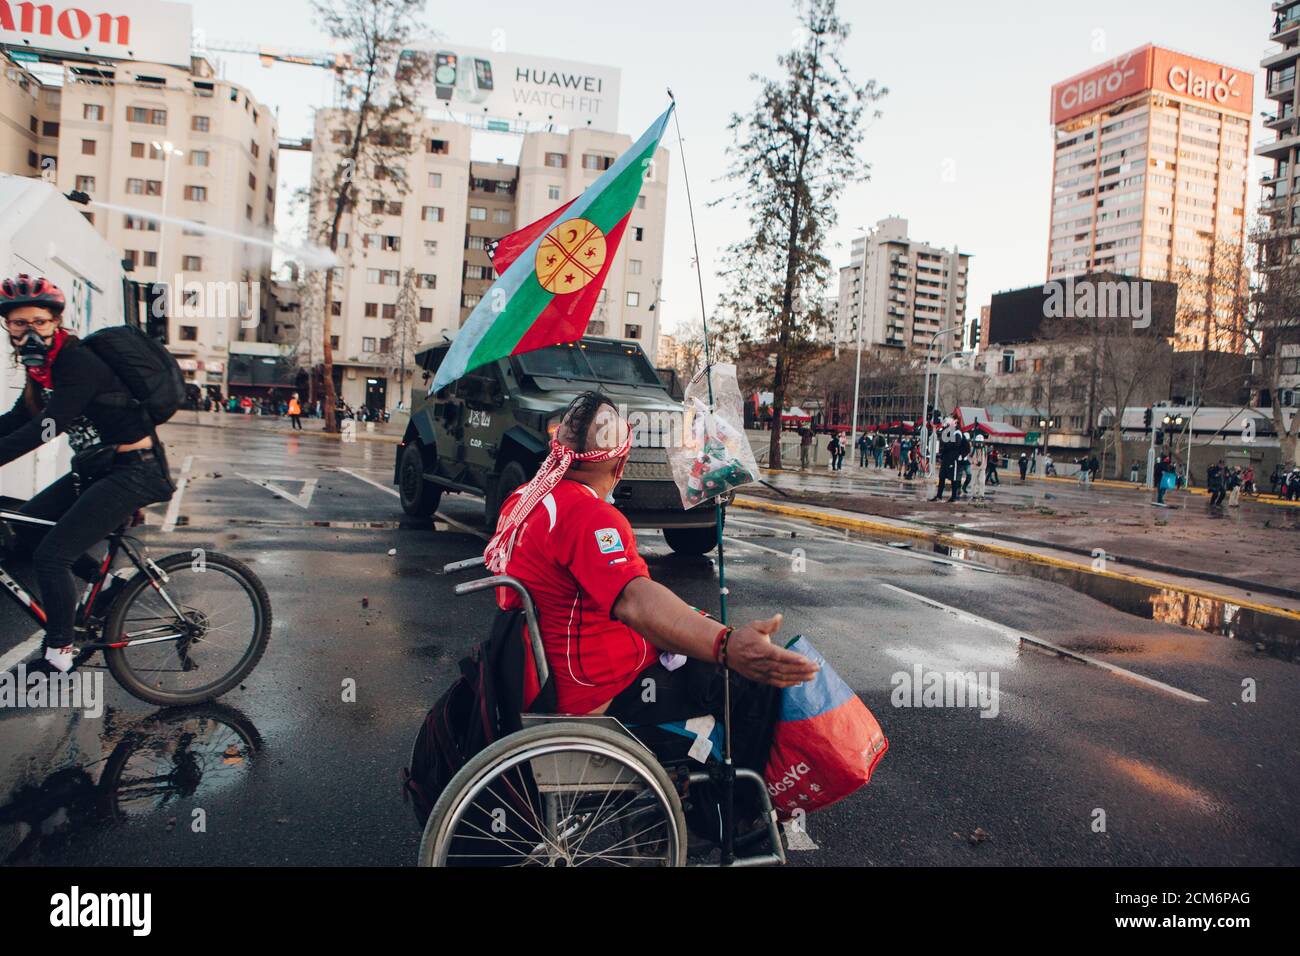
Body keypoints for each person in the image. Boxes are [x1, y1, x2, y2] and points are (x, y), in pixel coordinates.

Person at [490, 391, 818, 832]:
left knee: (696, 648)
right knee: (746, 684)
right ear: (619, 463)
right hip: (591, 695)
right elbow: (636, 600)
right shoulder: (589, 517)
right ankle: (730, 821)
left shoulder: (524, 500)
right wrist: (725, 644)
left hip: (542, 678)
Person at [0, 274, 175, 673]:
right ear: (7, 327)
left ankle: (60, 651)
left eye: (39, 323)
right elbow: (16, 419)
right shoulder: (41, 369)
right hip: (99, 467)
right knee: (26, 527)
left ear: (55, 322)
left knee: (50, 557)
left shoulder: (76, 362)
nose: (31, 332)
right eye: (19, 324)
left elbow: (47, 426)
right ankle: (107, 584)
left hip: (135, 471)